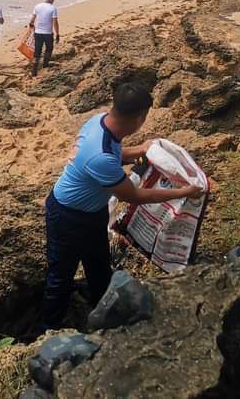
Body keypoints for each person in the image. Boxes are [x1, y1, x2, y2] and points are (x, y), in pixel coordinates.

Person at [41, 83, 202, 330]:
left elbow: (115, 152)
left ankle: (104, 316)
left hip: (92, 213)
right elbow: (135, 195)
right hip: (67, 215)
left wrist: (140, 149)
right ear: (140, 117)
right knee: (60, 276)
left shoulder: (100, 122)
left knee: (99, 268)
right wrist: (184, 191)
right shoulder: (100, 157)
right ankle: (47, 331)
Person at [29, 0, 59, 76]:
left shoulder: (37, 6)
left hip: (38, 33)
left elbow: (32, 20)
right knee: (49, 49)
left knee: (37, 52)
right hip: (48, 34)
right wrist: (57, 34)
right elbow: (55, 23)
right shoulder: (53, 8)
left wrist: (31, 26)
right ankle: (45, 65)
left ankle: (34, 70)